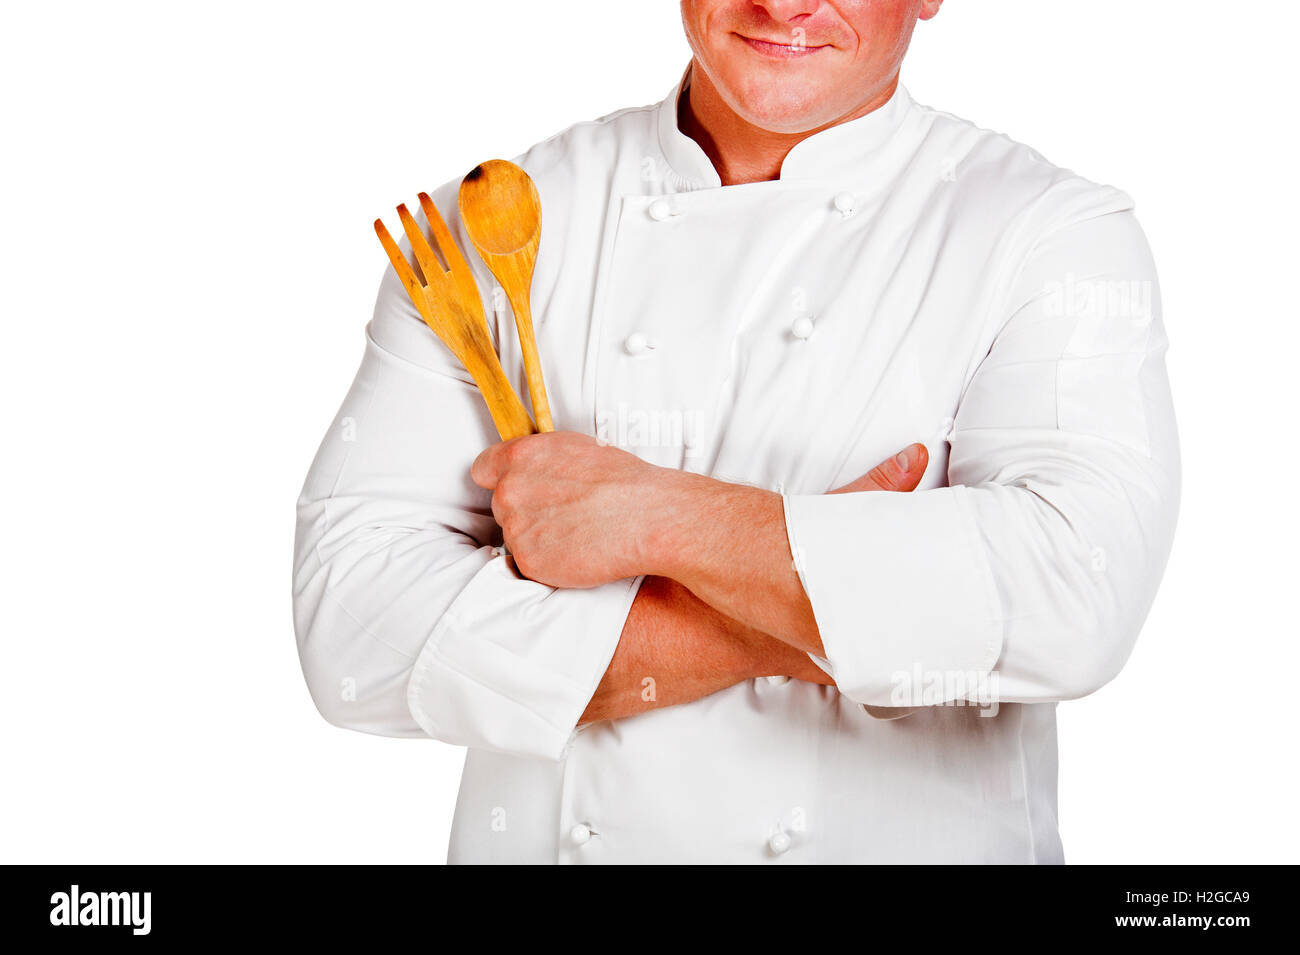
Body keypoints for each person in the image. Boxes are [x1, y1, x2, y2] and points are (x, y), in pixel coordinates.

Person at [293, 0, 1179, 863]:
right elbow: (351, 630)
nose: (783, 4)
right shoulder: (495, 224)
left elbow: (1073, 598)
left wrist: (654, 517)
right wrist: (818, 621)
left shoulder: (1050, 235)